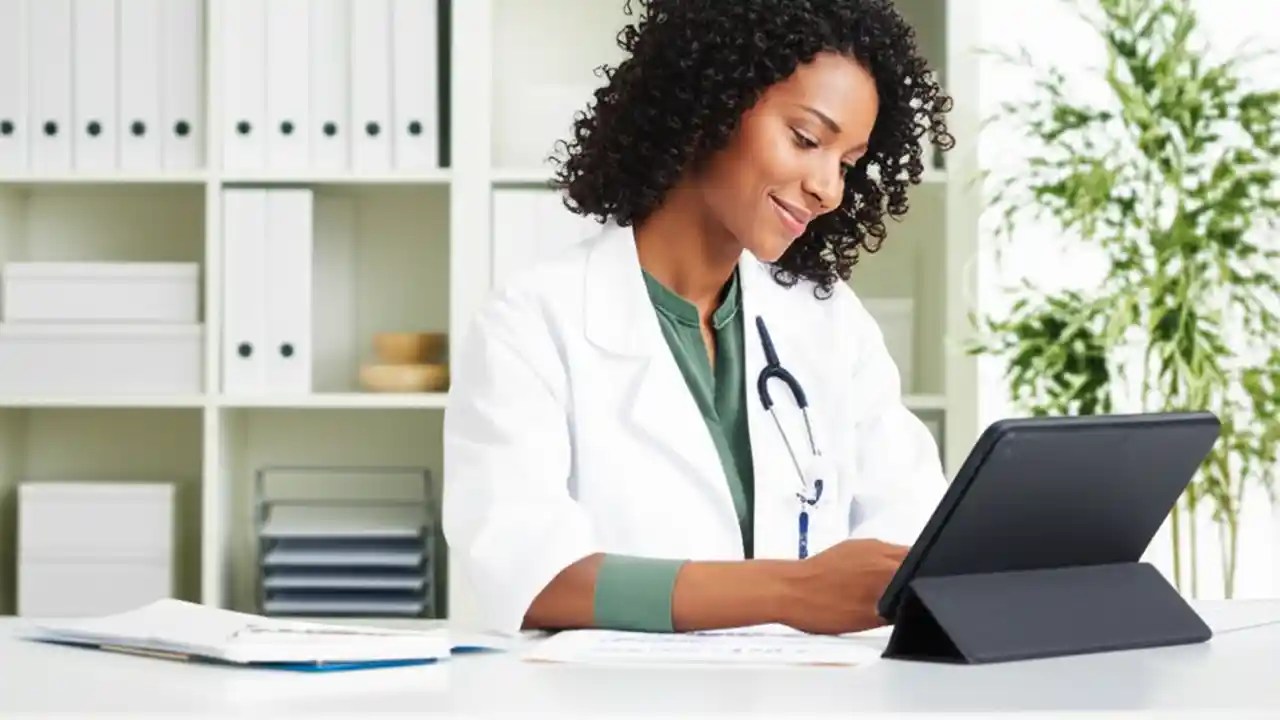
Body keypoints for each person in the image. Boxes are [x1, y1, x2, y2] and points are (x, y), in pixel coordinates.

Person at [444, 0, 955, 637]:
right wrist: (789, 592)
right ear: (710, 105)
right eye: (806, 139)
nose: (829, 189)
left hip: (809, 684)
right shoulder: (533, 323)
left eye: (846, 164)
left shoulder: (830, 323)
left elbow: (911, 531)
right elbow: (531, 575)